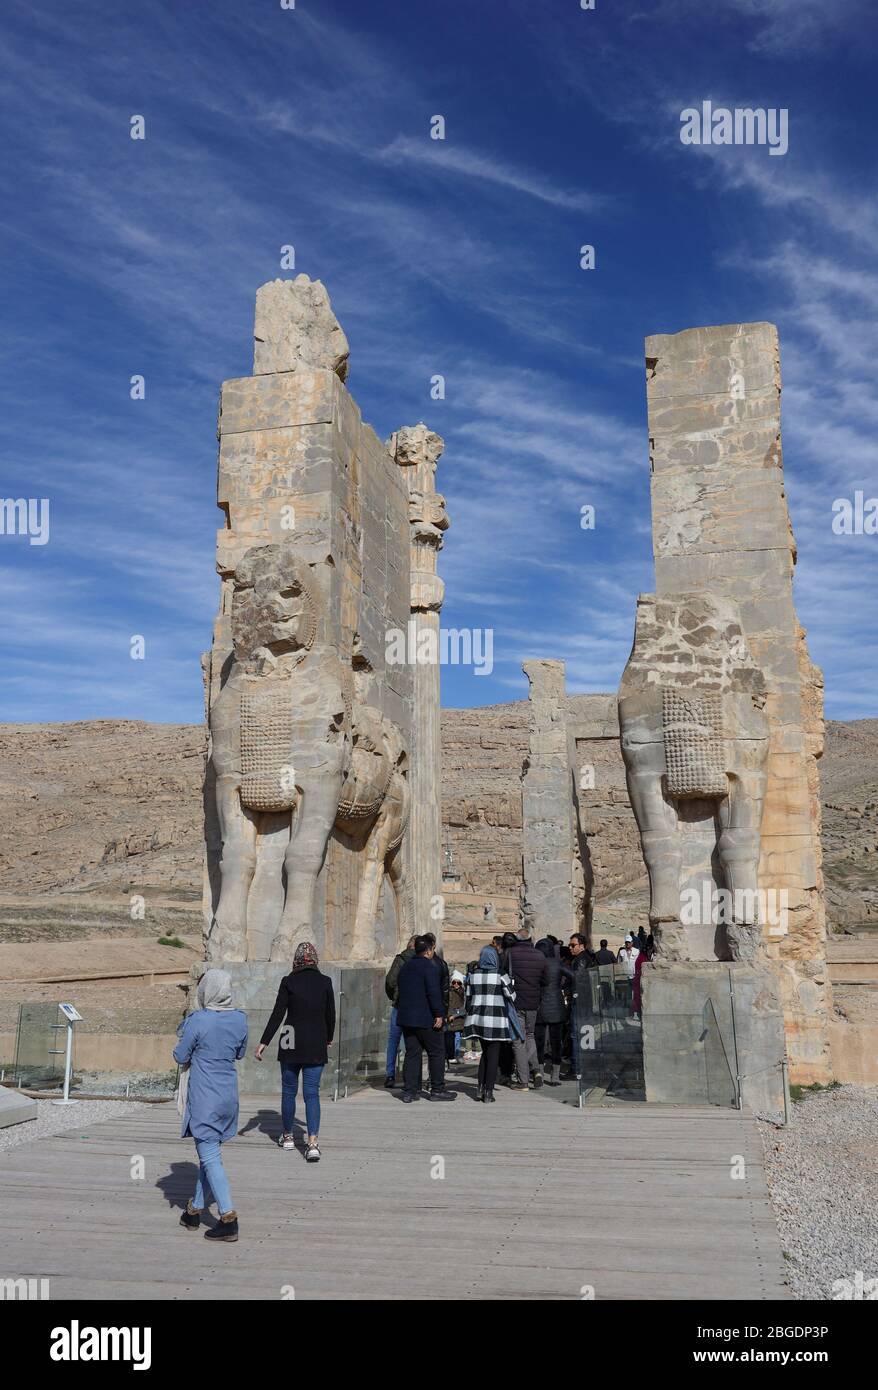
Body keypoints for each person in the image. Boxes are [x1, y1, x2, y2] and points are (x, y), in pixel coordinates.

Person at [174, 968, 248, 1242]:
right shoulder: (240, 1020)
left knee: (210, 1155)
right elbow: (240, 1053)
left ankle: (228, 1218)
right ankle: (194, 1211)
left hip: (205, 1094)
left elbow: (180, 1055)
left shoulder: (199, 1020)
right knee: (210, 1154)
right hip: (228, 1094)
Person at [255, 941, 335, 1162]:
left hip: (290, 1039)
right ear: (315, 959)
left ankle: (288, 1136)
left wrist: (264, 1041)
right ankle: (312, 1144)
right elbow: (331, 1015)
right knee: (311, 1093)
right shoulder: (325, 982)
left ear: (297, 960)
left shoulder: (288, 981)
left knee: (289, 1091)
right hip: (315, 1041)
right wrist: (328, 1038)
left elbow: (278, 1013)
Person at [396, 935, 454, 1102]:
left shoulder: (405, 966)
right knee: (436, 1052)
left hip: (407, 1018)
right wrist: (439, 1014)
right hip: (426, 1017)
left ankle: (409, 1091)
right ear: (428, 951)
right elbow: (433, 992)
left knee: (412, 1053)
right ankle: (437, 1089)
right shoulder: (429, 967)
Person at [463, 944, 517, 1102]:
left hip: (477, 1019)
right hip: (495, 1021)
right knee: (493, 1056)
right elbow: (512, 995)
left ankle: (479, 1089)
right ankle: (488, 1092)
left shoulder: (473, 975)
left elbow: (468, 997)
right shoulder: (500, 974)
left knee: (485, 1055)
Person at [504, 929, 549, 1090]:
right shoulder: (540, 955)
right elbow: (546, 980)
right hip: (533, 1002)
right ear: (530, 938)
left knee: (518, 1040)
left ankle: (523, 1080)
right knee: (530, 1036)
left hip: (516, 1002)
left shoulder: (510, 953)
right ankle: (536, 1070)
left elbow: (503, 975)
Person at [383, 935, 416, 1088]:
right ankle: (407, 1075)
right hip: (413, 1007)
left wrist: (394, 996)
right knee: (409, 1041)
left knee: (393, 1041)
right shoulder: (421, 961)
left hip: (398, 1004)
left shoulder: (400, 959)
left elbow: (390, 981)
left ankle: (390, 1075)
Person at [534, 937, 565, 1086]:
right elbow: (574, 976)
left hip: (540, 1006)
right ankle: (555, 1076)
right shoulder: (558, 963)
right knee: (556, 1043)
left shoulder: (536, 964)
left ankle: (538, 1072)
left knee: (539, 1042)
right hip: (557, 1006)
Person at [445, 970, 466, 1067]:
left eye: (458, 982)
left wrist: (455, 1014)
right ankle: (451, 1055)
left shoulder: (463, 993)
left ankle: (455, 1055)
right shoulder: (449, 992)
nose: (456, 984)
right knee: (451, 1037)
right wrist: (449, 1015)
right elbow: (448, 1005)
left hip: (458, 1019)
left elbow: (464, 1007)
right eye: (454, 982)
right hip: (450, 1018)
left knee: (457, 1037)